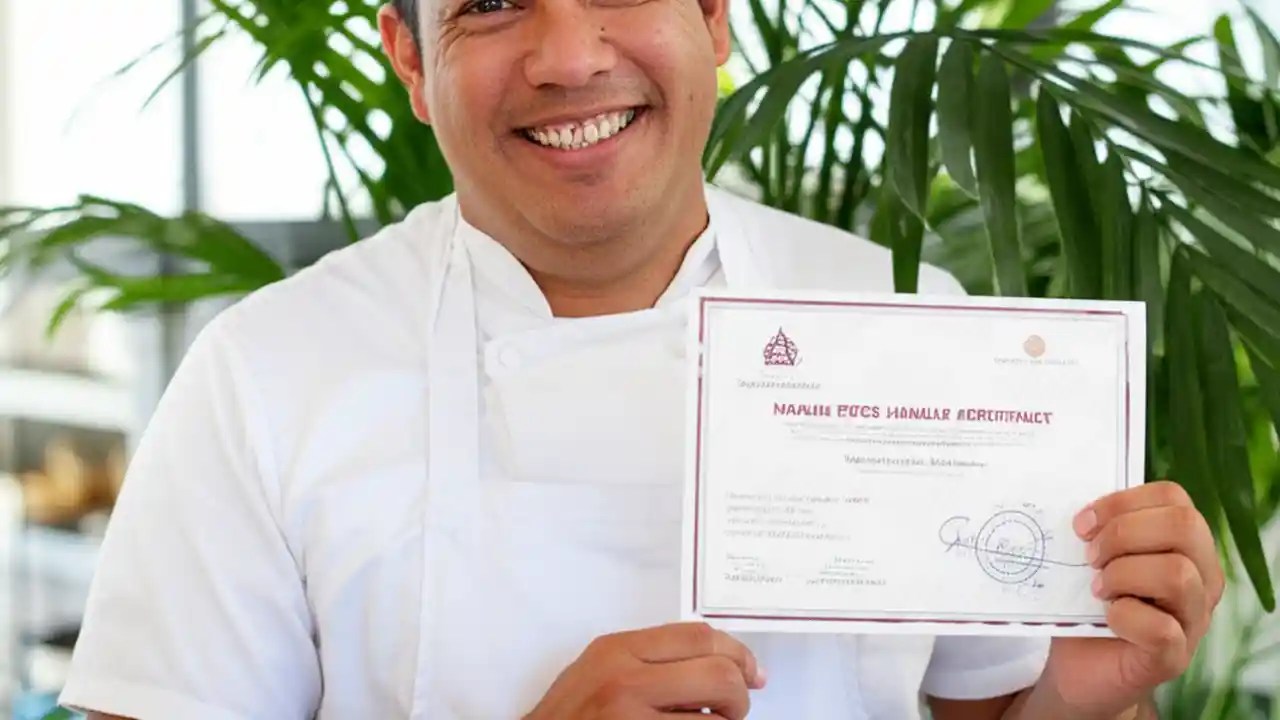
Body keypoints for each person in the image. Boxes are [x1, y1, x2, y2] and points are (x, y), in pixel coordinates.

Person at [59, 0, 1223, 716]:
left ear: (712, 17)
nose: (568, 57)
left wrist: (1084, 696)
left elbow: (999, 717)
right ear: (410, 64)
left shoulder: (897, 316)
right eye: (493, 1)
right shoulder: (264, 375)